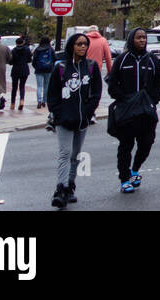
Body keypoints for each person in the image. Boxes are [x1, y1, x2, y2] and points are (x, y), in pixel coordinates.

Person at [47, 33, 102, 208]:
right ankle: (60, 189)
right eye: (79, 44)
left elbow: (96, 93)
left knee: (75, 156)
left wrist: (88, 112)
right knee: (64, 153)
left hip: (82, 119)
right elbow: (52, 94)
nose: (83, 47)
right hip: (64, 119)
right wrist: (58, 113)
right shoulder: (61, 67)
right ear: (72, 46)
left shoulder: (91, 67)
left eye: (85, 44)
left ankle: (70, 187)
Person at [108, 27, 160, 194]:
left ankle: (135, 170)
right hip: (127, 112)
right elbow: (112, 85)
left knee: (146, 143)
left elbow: (158, 84)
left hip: (146, 112)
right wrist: (124, 98)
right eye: (138, 37)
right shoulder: (122, 60)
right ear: (132, 39)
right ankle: (124, 179)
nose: (142, 40)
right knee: (126, 145)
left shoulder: (152, 60)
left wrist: (152, 100)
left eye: (144, 38)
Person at [31, 37, 55, 109]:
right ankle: (44, 101)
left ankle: (39, 101)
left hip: (39, 69)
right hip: (48, 69)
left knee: (39, 86)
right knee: (46, 85)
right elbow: (55, 58)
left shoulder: (38, 49)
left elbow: (34, 60)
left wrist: (36, 66)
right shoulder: (50, 49)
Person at [9, 37, 32, 111]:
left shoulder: (13, 50)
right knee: (22, 86)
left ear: (16, 43)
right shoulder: (27, 50)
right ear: (23, 42)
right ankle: (21, 101)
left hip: (15, 70)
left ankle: (12, 103)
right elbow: (29, 60)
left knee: (14, 87)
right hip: (24, 69)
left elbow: (11, 62)